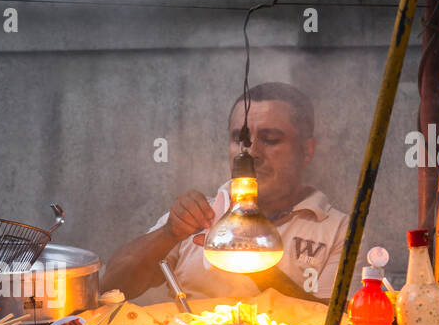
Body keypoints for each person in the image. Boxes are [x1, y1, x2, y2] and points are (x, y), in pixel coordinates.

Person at [103, 82, 352, 304]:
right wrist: (169, 233)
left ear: (307, 151)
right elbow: (110, 287)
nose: (252, 152)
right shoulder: (199, 216)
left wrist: (251, 258)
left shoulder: (338, 231)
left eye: (271, 139)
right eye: (240, 139)